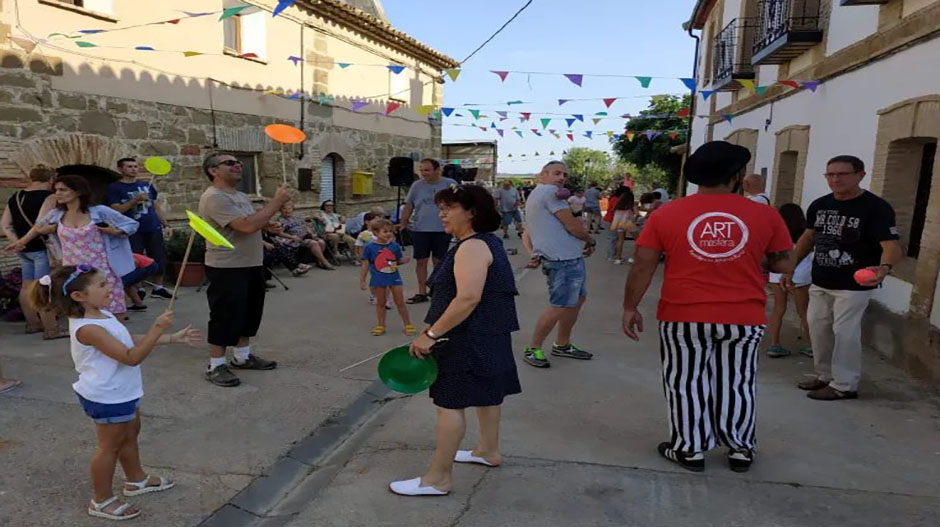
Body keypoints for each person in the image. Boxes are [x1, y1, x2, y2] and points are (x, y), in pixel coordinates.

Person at [622, 141, 794, 473]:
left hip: (683, 314)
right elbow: (783, 264)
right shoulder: (765, 214)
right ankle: (740, 448)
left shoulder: (665, 214)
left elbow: (642, 266)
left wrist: (630, 306)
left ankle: (689, 448)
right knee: (738, 381)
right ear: (738, 175)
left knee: (685, 381)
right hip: (744, 315)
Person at [28, 264, 201, 520]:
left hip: (123, 391)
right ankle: (101, 500)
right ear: (79, 296)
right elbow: (131, 357)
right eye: (102, 285)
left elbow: (127, 339)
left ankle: (136, 480)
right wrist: (157, 328)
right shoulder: (87, 328)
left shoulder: (102, 314)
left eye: (107, 282)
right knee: (109, 448)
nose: (110, 287)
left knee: (130, 434)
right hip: (106, 396)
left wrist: (172, 338)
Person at [390, 184, 521, 496]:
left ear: (472, 212)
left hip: (466, 337)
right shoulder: (487, 241)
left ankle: (438, 479)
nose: (442, 214)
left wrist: (430, 335)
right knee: (488, 394)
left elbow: (467, 298)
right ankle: (488, 450)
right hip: (489, 334)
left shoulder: (472, 247)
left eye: (449, 208)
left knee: (449, 403)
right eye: (441, 208)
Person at [783, 155, 902, 401]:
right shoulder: (820, 204)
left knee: (845, 333)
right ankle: (825, 376)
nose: (835, 179)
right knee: (818, 329)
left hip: (853, 285)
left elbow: (891, 245)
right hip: (821, 280)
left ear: (860, 175)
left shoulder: (876, 207)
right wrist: (790, 267)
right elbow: (808, 238)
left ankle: (845, 384)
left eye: (842, 174)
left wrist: (884, 268)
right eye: (830, 174)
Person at [198, 153, 291, 387]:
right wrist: (276, 202)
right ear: (213, 171)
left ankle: (242, 357)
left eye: (238, 162)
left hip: (251, 262)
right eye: (229, 163)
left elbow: (250, 221)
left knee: (249, 312)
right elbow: (246, 226)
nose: (238, 165)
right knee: (225, 315)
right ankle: (216, 365)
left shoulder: (239, 196)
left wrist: (267, 224)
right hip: (227, 265)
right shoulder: (214, 197)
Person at [7, 175, 139, 320]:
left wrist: (115, 231)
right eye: (56, 190)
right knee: (79, 313)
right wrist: (21, 242)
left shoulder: (99, 211)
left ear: (78, 191)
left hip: (102, 270)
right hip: (73, 272)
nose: (58, 193)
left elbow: (131, 224)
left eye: (63, 190)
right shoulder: (57, 214)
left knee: (112, 311)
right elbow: (38, 227)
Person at [520, 161, 596, 368]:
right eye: (557, 173)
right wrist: (590, 240)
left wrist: (534, 252)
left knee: (577, 300)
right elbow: (571, 225)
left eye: (564, 174)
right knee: (559, 305)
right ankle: (533, 348)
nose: (562, 177)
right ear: (543, 175)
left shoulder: (535, 194)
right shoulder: (549, 192)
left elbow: (529, 231)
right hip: (562, 260)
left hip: (567, 258)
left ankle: (562, 344)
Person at [1, 165, 64, 338]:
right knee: (44, 287)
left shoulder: (16, 196)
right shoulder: (49, 197)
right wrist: (23, 241)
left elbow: (5, 224)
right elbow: (40, 224)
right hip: (43, 248)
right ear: (51, 179)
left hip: (24, 251)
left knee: (26, 287)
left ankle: (33, 324)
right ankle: (51, 328)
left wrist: (16, 242)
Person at [106, 158, 173, 300]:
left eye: (135, 166)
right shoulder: (114, 188)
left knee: (159, 256)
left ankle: (158, 288)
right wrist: (135, 200)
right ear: (121, 169)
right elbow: (116, 210)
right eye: (129, 166)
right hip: (131, 229)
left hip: (152, 226)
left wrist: (166, 224)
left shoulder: (146, 185)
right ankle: (139, 288)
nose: (133, 169)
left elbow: (155, 206)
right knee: (136, 258)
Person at [396, 159, 458, 304]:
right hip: (420, 229)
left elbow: (459, 204)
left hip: (442, 229)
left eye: (427, 170)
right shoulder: (417, 186)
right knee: (421, 261)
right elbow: (409, 205)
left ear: (437, 170)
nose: (424, 173)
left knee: (439, 261)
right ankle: (421, 292)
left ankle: (437, 289)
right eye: (422, 170)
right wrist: (403, 222)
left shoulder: (450, 184)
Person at [766, 204, 814, 358]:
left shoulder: (776, 231)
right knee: (804, 311)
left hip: (778, 270)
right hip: (801, 272)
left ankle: (774, 344)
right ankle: (811, 345)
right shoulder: (805, 233)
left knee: (778, 308)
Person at [359, 219, 414, 336]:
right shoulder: (369, 248)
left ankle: (407, 324)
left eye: (390, 231)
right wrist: (362, 280)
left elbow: (396, 261)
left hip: (394, 278)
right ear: (376, 232)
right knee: (381, 303)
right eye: (385, 231)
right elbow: (365, 264)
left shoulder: (395, 246)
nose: (388, 234)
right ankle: (381, 325)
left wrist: (402, 261)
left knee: (400, 302)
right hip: (378, 279)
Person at [277, 200, 334, 270]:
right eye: (284, 209)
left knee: (321, 242)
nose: (287, 211)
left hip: (306, 236)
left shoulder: (296, 218)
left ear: (292, 209)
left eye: (289, 209)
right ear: (280, 210)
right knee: (314, 243)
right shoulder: (280, 220)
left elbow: (305, 226)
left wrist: (311, 233)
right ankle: (325, 262)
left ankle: (319, 261)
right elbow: (279, 233)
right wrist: (292, 237)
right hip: (294, 239)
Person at [609, 188, 638, 265]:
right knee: (638, 239)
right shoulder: (632, 205)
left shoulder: (618, 205)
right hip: (628, 222)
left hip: (618, 223)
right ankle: (632, 258)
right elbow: (637, 214)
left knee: (620, 240)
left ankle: (618, 258)